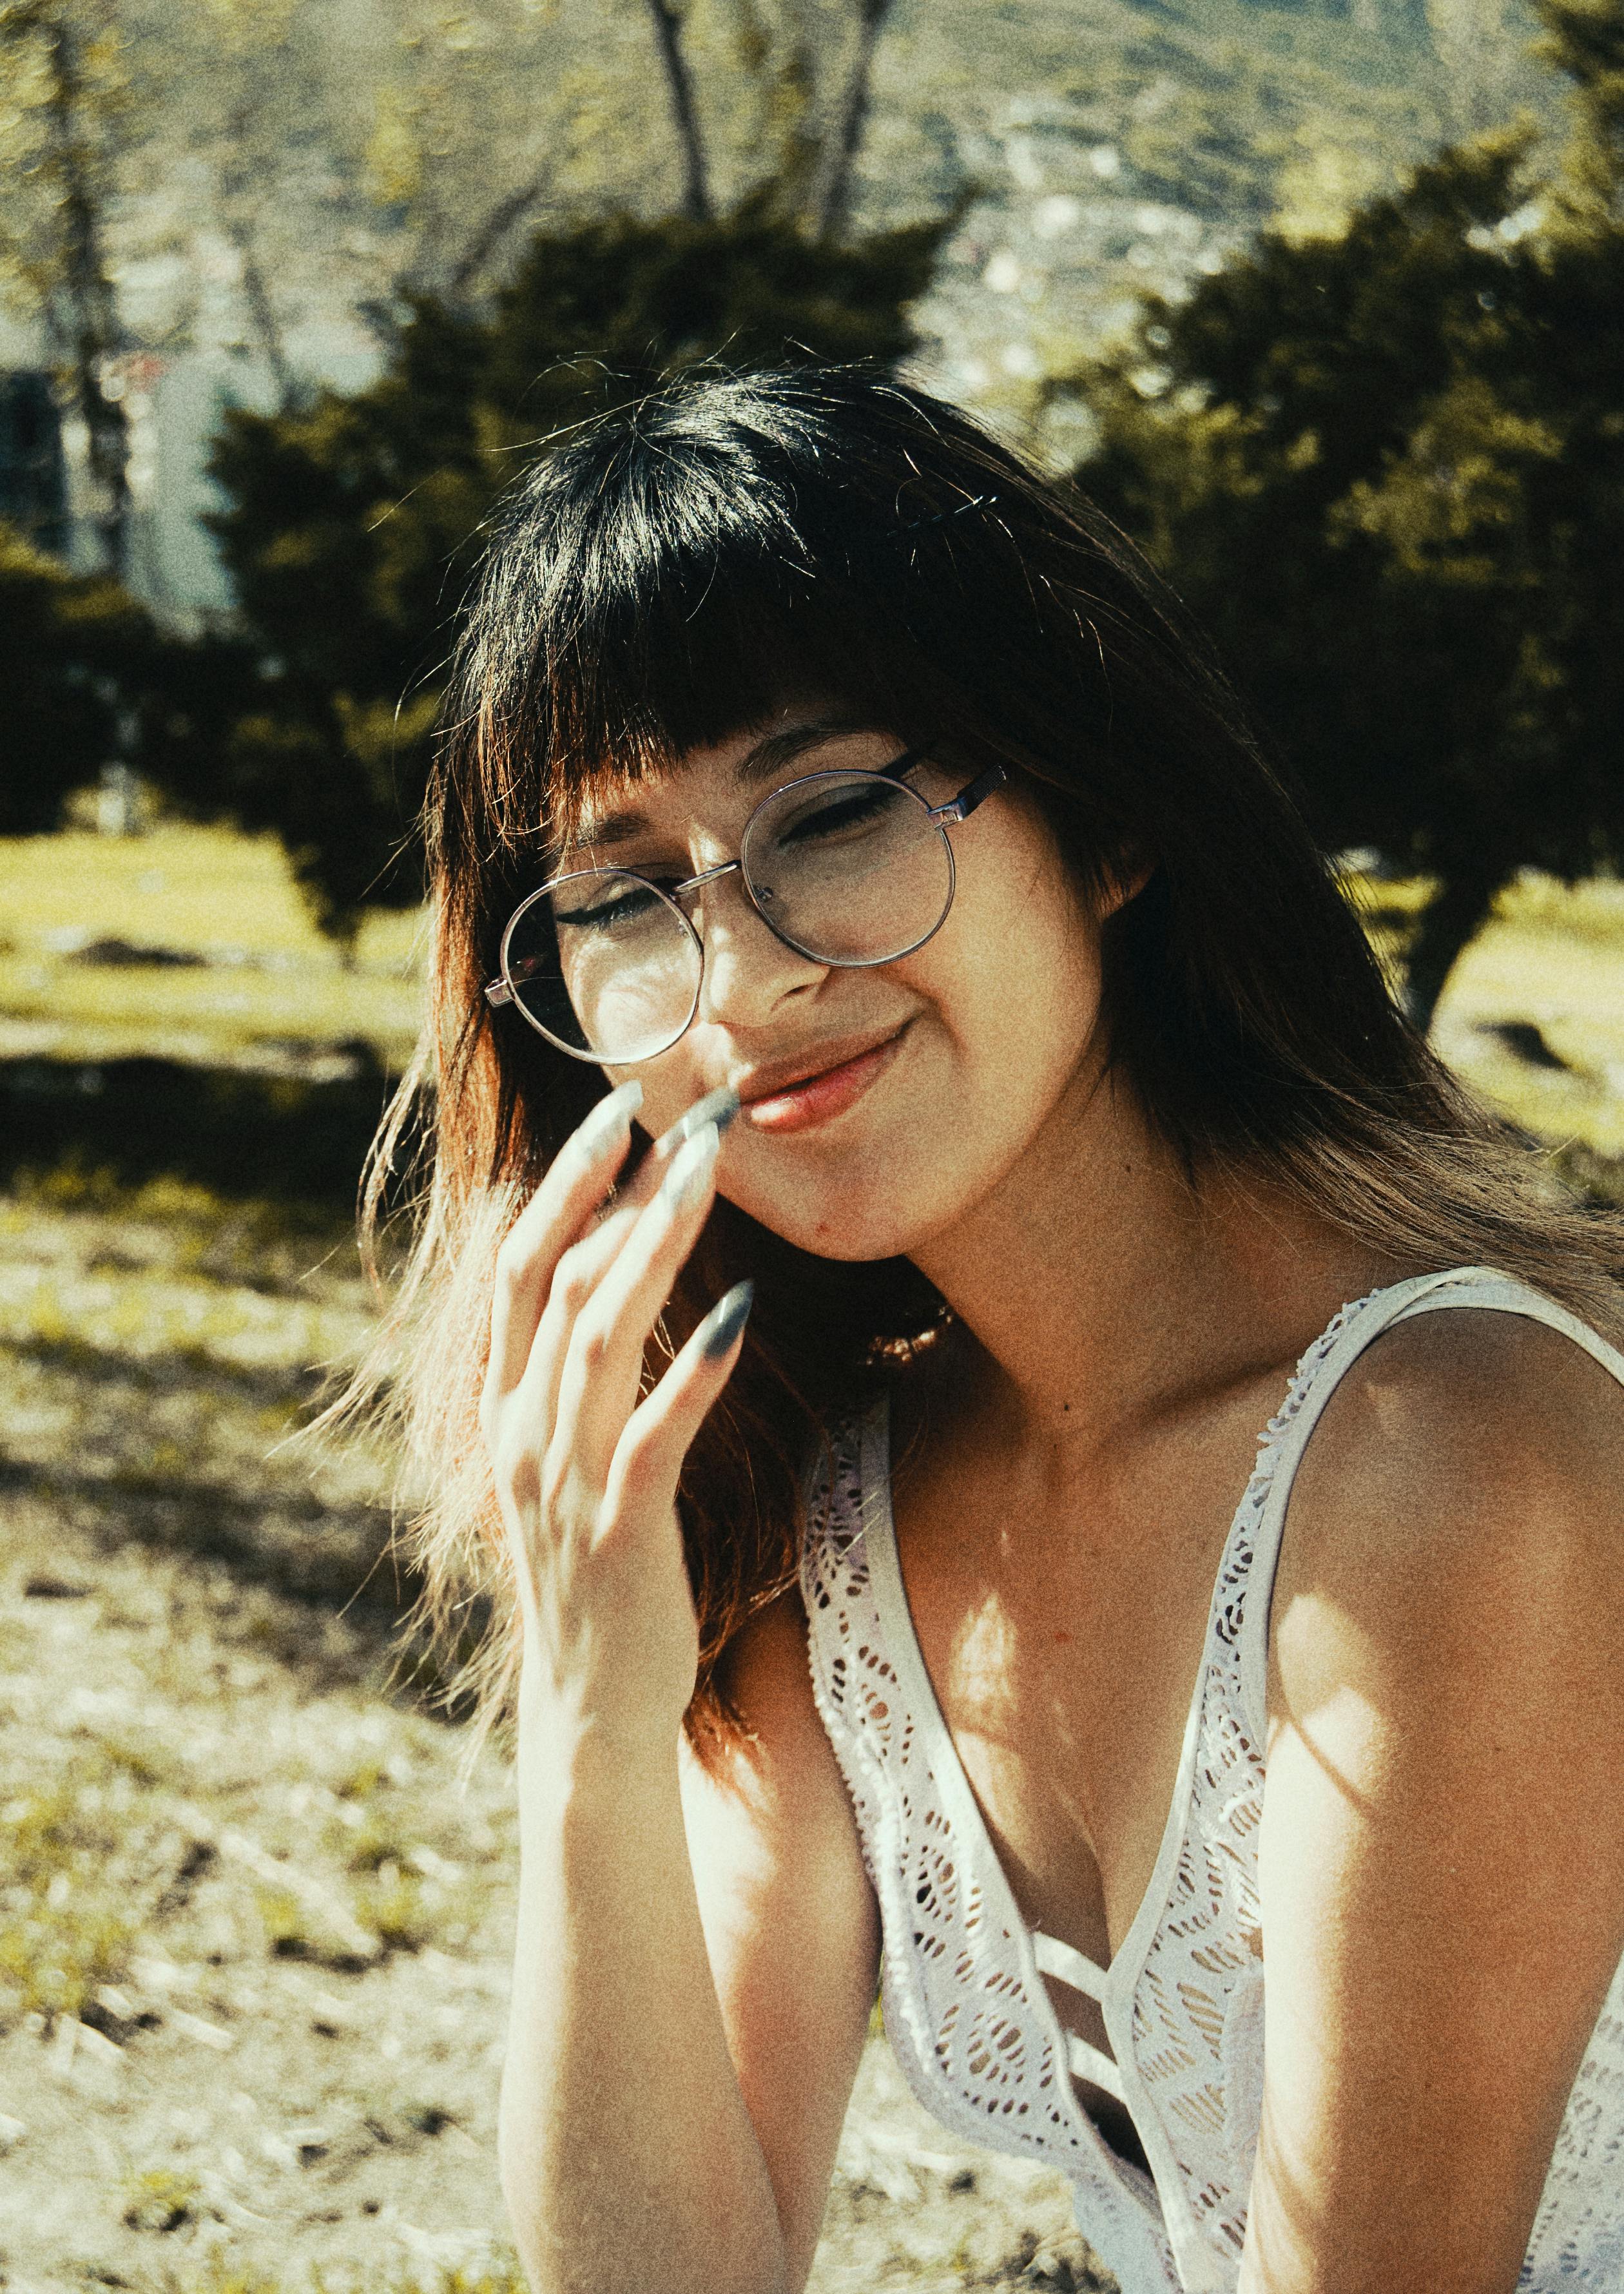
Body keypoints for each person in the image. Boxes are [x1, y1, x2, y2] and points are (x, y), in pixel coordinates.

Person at [360, 367, 1624, 2294]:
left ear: (1103, 820)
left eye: (836, 811)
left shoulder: (1455, 1456)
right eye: (625, 894)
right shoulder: (829, 1494)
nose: (751, 976)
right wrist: (587, 1704)